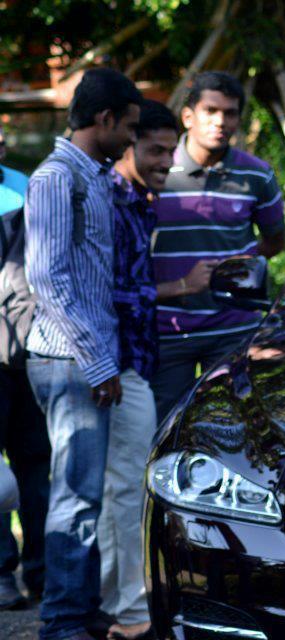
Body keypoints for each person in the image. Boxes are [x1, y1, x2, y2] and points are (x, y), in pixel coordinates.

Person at [24, 68, 141, 640]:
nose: (132, 141)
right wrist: (98, 362)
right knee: (74, 492)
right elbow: (46, 278)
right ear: (105, 119)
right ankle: (63, 621)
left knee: (90, 492)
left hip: (90, 359)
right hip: (68, 360)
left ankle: (81, 608)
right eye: (130, 128)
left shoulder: (93, 176)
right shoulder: (54, 178)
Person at [100, 100, 205, 640]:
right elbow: (106, 291)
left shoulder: (142, 199)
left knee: (123, 482)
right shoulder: (110, 201)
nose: (168, 160)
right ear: (126, 145)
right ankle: (128, 609)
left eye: (171, 150)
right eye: (155, 150)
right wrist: (181, 288)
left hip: (136, 359)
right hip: (111, 365)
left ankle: (119, 600)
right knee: (125, 485)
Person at [151, 71, 285, 422]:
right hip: (169, 329)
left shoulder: (257, 174)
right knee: (165, 429)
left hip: (233, 330)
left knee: (233, 426)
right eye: (210, 110)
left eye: (230, 113)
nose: (220, 121)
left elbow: (276, 239)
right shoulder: (157, 169)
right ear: (188, 116)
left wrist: (245, 260)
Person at [0, 122, 50, 611]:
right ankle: (3, 574)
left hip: (28, 352)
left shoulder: (25, 186)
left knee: (36, 468)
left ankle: (41, 570)